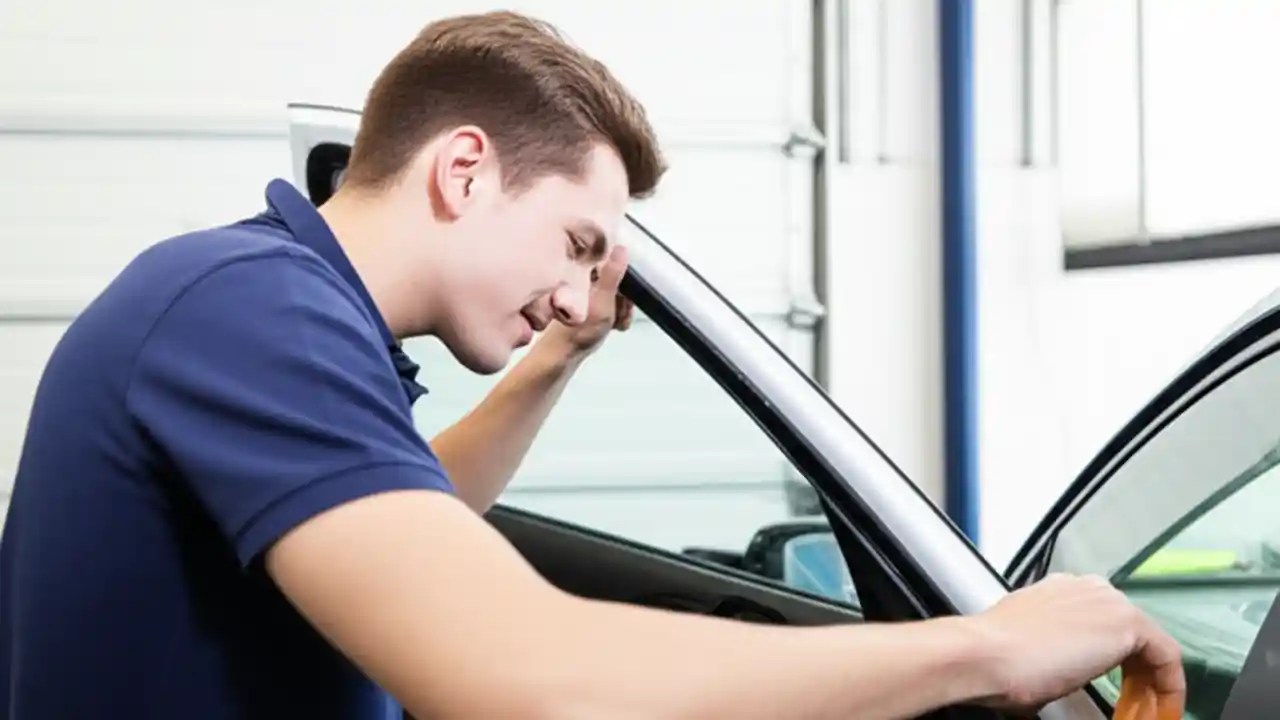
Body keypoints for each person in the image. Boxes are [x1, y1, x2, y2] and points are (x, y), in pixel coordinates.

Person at [0, 10, 1183, 719]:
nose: (581, 292)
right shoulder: (249, 313)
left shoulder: (284, 313)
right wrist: (981, 649)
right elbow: (533, 684)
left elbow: (408, 520)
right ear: (463, 171)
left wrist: (553, 360)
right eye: (577, 244)